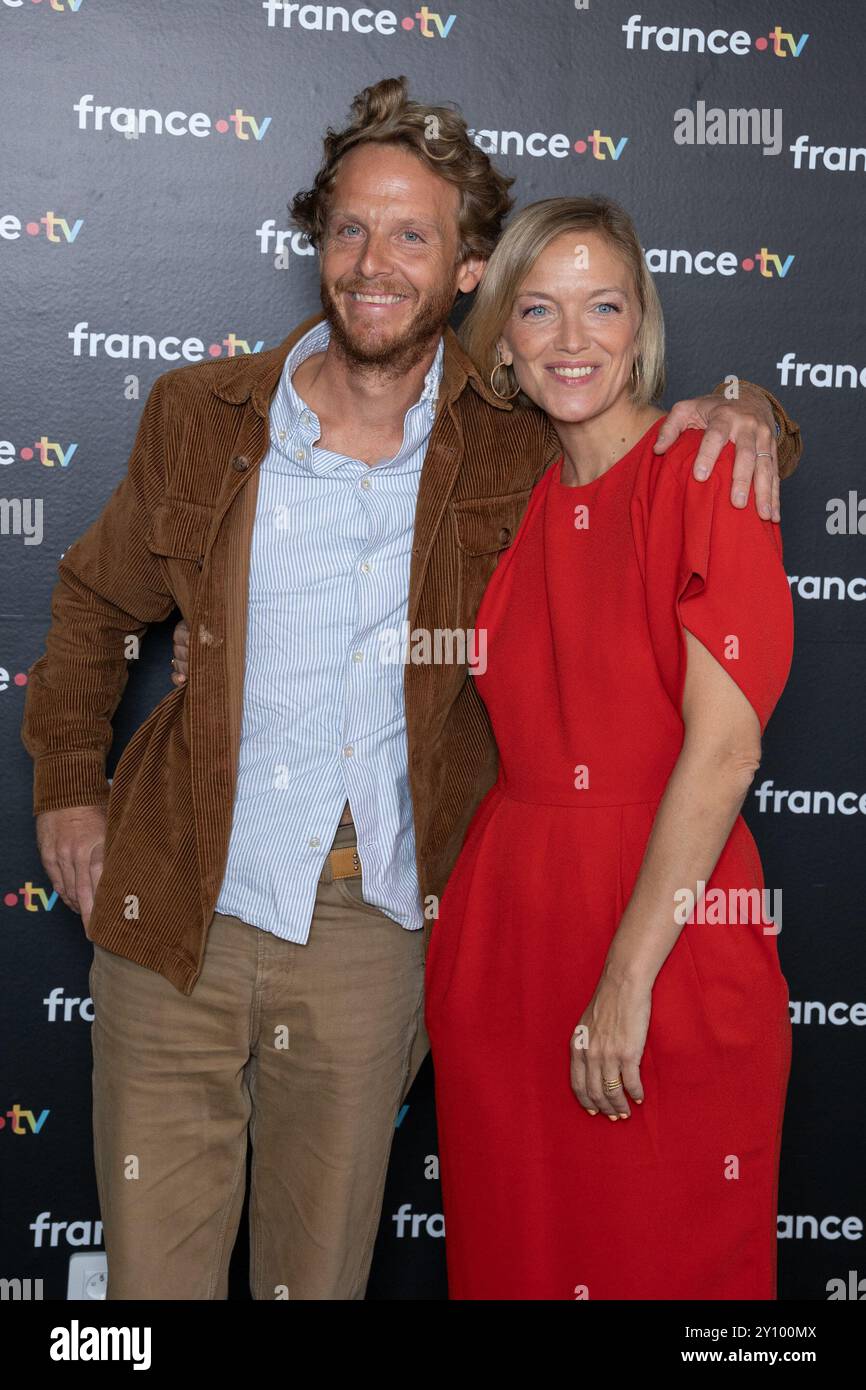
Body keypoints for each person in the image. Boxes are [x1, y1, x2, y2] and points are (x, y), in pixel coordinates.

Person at [22, 77, 800, 1301]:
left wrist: (751, 410)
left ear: (464, 271)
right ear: (318, 243)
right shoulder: (199, 413)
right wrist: (70, 789)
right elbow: (90, 606)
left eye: (410, 235)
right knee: (144, 1303)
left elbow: (641, 433)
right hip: (179, 907)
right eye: (347, 228)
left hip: (371, 929)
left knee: (317, 1285)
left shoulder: (502, 436)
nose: (371, 263)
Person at [423, 195, 794, 1300]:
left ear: (642, 325)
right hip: (505, 940)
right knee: (516, 1261)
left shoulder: (708, 474)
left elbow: (723, 751)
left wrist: (626, 979)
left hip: (666, 932)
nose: (572, 339)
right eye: (537, 309)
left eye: (602, 306)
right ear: (500, 337)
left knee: (670, 1262)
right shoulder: (504, 500)